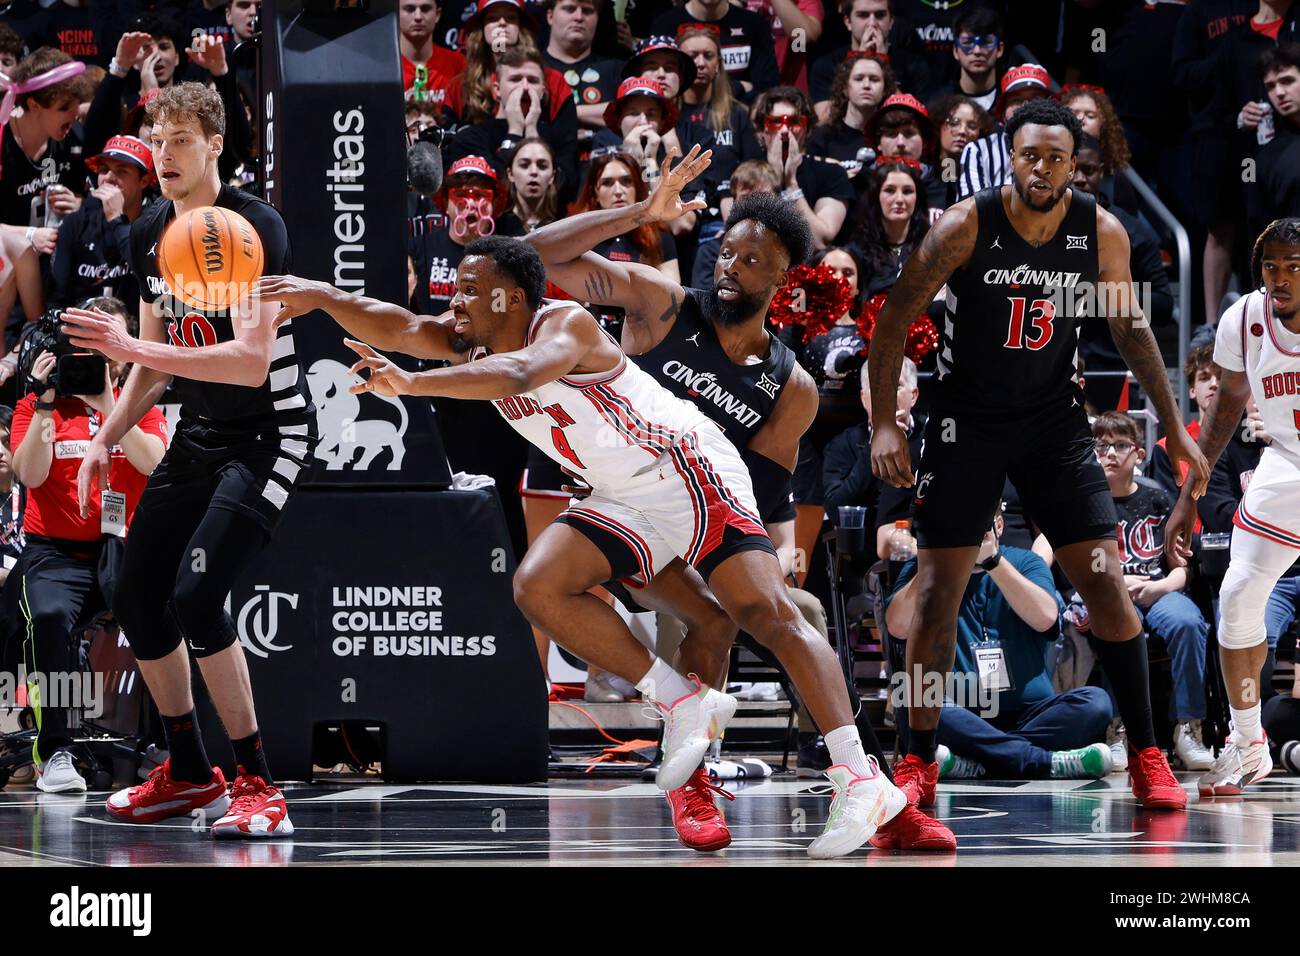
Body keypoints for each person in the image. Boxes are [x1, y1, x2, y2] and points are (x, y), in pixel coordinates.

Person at [258, 220, 909, 859]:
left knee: (766, 614)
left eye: (465, 290)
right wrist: (319, 295)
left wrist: (413, 383)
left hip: (686, 469)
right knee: (540, 584)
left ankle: (860, 780)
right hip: (625, 496)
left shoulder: (562, 326)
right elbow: (396, 326)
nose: (451, 303)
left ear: (509, 297)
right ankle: (679, 701)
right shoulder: (470, 344)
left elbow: (520, 377)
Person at [524, 146, 953, 852]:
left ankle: (752, 784)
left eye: (751, 261)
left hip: (705, 512)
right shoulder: (660, 306)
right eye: (725, 253)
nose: (729, 267)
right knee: (538, 583)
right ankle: (844, 778)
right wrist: (640, 214)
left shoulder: (794, 387)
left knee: (744, 612)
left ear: (785, 281)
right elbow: (532, 259)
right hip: (626, 502)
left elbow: (764, 488)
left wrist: (774, 551)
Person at [869, 99, 1209, 817]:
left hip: (1055, 419)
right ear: (1010, 157)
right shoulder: (965, 224)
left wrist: (1176, 428)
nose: (1043, 168)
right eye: (1031, 155)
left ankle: (1147, 753)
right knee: (936, 596)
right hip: (967, 417)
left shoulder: (1100, 231)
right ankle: (915, 763)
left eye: (1057, 157)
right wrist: (884, 424)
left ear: (1073, 164)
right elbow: (894, 317)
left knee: (1106, 584)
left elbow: (1132, 327)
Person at [59, 82, 315, 838]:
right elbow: (155, 366)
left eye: (179, 141)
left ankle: (258, 784)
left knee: (198, 595)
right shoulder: (147, 235)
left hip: (272, 431)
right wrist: (106, 439)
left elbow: (248, 361)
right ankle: (189, 773)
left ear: (214, 147)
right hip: (199, 435)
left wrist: (132, 348)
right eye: (156, 139)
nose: (163, 154)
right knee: (138, 597)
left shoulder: (255, 225)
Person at [11, 297, 167, 793]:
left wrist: (110, 406)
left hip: (127, 549)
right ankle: (54, 751)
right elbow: (29, 473)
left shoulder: (140, 400)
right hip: (56, 554)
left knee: (167, 611)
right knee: (50, 617)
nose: (96, 357)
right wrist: (45, 402)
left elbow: (154, 463)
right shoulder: (35, 406)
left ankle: (170, 749)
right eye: (86, 344)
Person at [1167, 217, 1300, 796]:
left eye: (1294, 267)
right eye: (1271, 266)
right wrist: (1187, 495)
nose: (1281, 278)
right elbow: (1222, 413)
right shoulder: (1244, 319)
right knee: (1237, 596)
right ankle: (1247, 742)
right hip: (1287, 463)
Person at [886, 506, 1114, 781]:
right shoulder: (924, 567)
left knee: (1096, 703)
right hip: (958, 710)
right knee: (912, 700)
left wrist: (994, 562)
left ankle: (980, 759)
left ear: (999, 526)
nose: (968, 535)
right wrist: (937, 560)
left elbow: (1046, 619)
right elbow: (897, 626)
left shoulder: (1026, 562)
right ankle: (1042, 762)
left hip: (1028, 713)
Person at [1087, 411, 1214, 771]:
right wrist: (1114, 585)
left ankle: (1188, 729)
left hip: (1158, 589)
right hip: (1110, 594)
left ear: (1139, 455)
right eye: (1101, 446)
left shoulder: (1158, 501)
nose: (1110, 453)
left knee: (1188, 623)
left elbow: (1182, 570)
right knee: (1114, 628)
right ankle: (1119, 730)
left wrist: (1159, 586)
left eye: (1121, 445)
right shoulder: (1088, 504)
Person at [1067, 134, 1173, 404]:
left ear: (1101, 172)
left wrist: (1108, 296)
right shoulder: (1041, 230)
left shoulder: (1131, 231)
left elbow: (1163, 304)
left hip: (1117, 366)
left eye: (1088, 170)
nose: (1080, 178)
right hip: (1056, 365)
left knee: (1118, 446)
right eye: (1073, 170)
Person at [445, 45, 579, 196]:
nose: (525, 88)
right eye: (515, 79)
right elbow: (489, 190)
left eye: (533, 81)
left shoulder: (558, 139)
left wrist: (532, 135)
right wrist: (514, 133)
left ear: (543, 91)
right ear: (496, 90)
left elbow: (564, 188)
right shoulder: (471, 138)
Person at [822, 356, 922, 547]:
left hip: (922, 546)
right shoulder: (842, 445)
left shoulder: (930, 437)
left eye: (897, 386)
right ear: (864, 398)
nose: (887, 396)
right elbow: (836, 510)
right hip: (862, 552)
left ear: (914, 395)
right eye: (878, 388)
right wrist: (875, 446)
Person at [49, 134, 153, 309]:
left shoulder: (153, 224)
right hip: (80, 326)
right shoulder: (75, 223)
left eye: (121, 171)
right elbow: (58, 297)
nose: (109, 178)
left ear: (144, 181)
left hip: (133, 330)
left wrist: (116, 219)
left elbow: (148, 275)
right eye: (104, 170)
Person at [752, 85, 852, 252]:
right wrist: (775, 177)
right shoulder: (748, 173)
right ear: (762, 131)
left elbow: (818, 242)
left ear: (808, 129)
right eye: (775, 122)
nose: (784, 130)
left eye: (793, 122)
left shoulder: (832, 173)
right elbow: (751, 239)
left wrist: (791, 183)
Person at [810, 0, 928, 123]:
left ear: (891, 21)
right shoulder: (826, 65)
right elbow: (824, 121)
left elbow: (916, 122)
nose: (872, 23)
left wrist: (882, 65)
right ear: (848, 22)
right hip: (844, 140)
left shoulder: (914, 65)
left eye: (880, 15)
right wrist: (858, 62)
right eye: (863, 15)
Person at [649, 0, 780, 103]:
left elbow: (767, 90)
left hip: (742, 122)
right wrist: (737, 87)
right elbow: (661, 88)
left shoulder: (754, 24)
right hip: (682, 123)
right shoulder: (665, 26)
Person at [956, 62, 1051, 201]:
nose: (1026, 106)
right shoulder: (978, 151)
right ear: (1003, 111)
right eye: (1016, 100)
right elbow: (972, 212)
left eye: (1035, 99)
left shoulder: (1064, 150)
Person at [849, 155, 930, 296]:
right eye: (890, 190)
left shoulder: (932, 247)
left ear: (917, 198)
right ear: (876, 196)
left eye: (907, 191)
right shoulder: (857, 251)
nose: (899, 199)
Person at [807, 52, 894, 180]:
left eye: (874, 79)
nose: (866, 85)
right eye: (858, 78)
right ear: (845, 89)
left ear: (885, 90)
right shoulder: (822, 137)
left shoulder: (892, 137)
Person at [1148, 344, 1218, 502]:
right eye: (1205, 378)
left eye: (1221, 377)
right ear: (1192, 390)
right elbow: (1165, 514)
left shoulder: (1251, 444)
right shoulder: (1167, 448)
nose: (1214, 384)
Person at [543, 0, 622, 137]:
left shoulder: (617, 69)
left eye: (587, 11)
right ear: (550, 17)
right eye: (569, 9)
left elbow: (628, 116)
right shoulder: (533, 67)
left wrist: (563, 113)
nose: (578, 17)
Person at [1250, 43, 1300, 240]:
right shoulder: (1259, 158)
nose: (1278, 93)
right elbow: (1256, 221)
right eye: (1270, 86)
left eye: (1287, 81)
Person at [926, 6, 1005, 113]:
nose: (977, 51)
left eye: (986, 42)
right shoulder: (939, 105)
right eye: (967, 43)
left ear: (999, 49)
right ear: (955, 51)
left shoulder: (1011, 101)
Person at [929, 94, 992, 209]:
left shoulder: (986, 182)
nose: (962, 131)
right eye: (953, 123)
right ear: (939, 125)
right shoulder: (925, 178)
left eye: (972, 126)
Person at [400, 0, 467, 99]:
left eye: (425, 9)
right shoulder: (384, 68)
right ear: (396, 14)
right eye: (409, 9)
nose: (418, 17)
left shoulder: (458, 63)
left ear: (437, 15)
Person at [505, 136, 559, 231]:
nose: (534, 171)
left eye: (542, 166)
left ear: (552, 176)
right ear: (510, 174)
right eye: (524, 165)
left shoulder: (562, 228)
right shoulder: (495, 228)